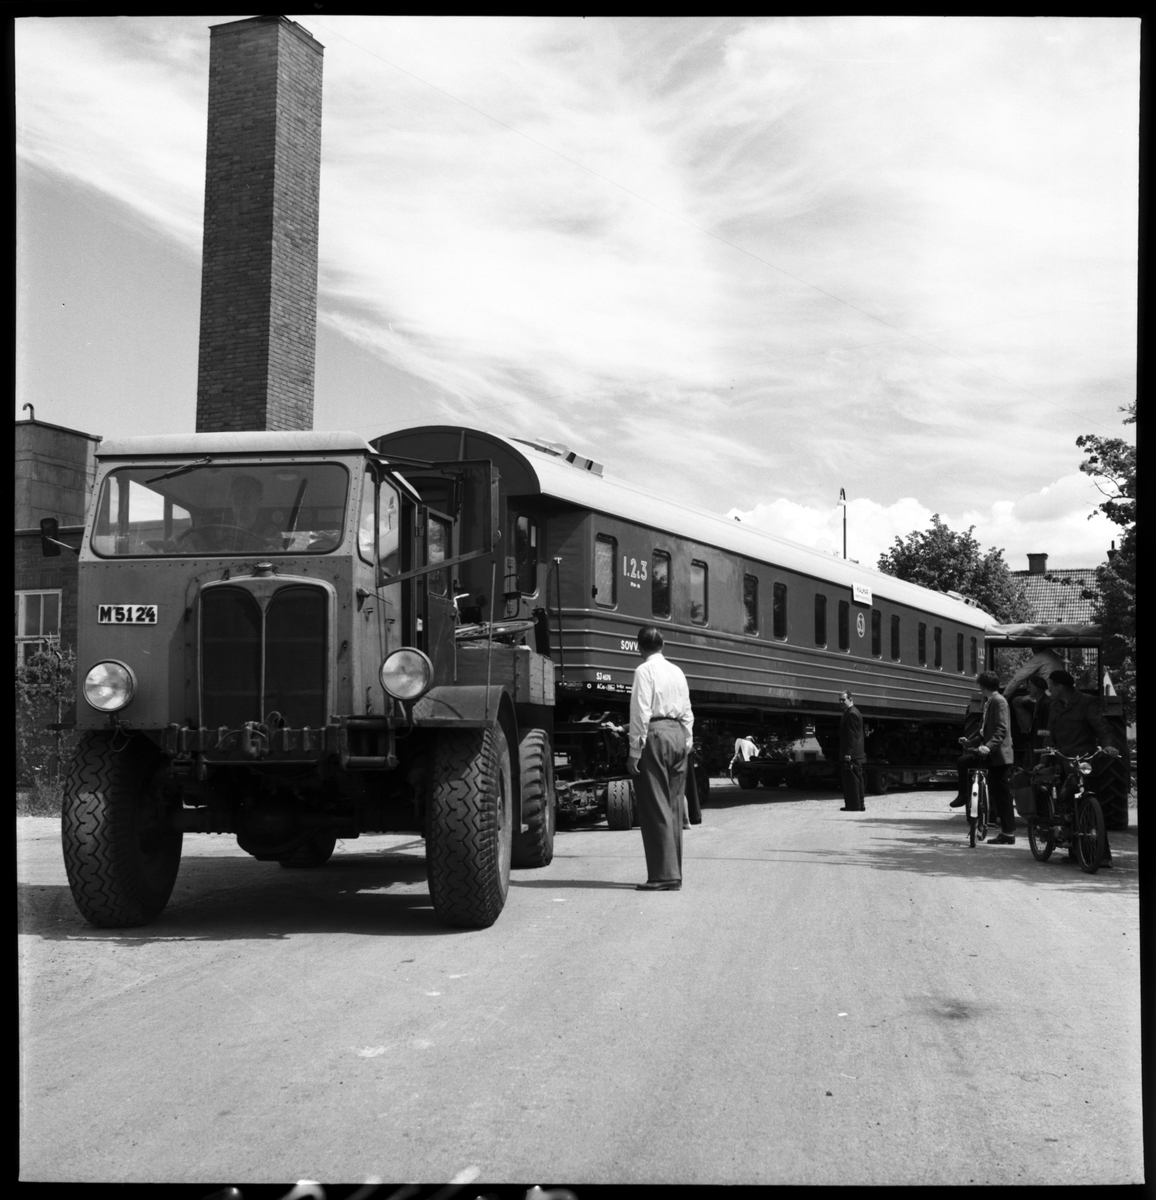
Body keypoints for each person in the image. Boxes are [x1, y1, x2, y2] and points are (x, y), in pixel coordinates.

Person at [626, 626, 694, 891]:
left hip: (655, 735)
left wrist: (634, 751)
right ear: (662, 645)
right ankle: (674, 873)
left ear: (639, 647)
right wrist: (687, 740)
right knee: (674, 806)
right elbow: (687, 710)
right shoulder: (677, 671)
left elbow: (640, 711)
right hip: (678, 734)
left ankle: (663, 875)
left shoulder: (644, 671)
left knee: (655, 804)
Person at [1046, 669, 1120, 867]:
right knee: (1067, 807)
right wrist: (1044, 758)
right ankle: (1075, 852)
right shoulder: (1054, 707)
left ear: (1060, 687)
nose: (1049, 690)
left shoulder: (1087, 702)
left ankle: (1102, 856)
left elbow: (1102, 727)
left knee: (1094, 809)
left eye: (1051, 686)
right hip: (1064, 761)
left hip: (1086, 762)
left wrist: (1108, 746)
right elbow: (1049, 736)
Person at [950, 670, 1016, 844]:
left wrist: (988, 746)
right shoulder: (989, 702)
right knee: (963, 762)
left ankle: (1008, 834)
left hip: (998, 755)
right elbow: (983, 732)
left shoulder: (999, 701)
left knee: (1002, 794)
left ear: (983, 686)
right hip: (988, 753)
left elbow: (1001, 730)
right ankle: (964, 796)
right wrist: (970, 742)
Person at [838, 691, 866, 812]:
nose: (841, 702)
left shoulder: (851, 714)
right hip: (855, 753)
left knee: (852, 780)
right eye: (839, 700)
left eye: (843, 700)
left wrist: (848, 753)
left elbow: (852, 736)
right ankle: (859, 805)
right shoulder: (853, 712)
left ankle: (854, 805)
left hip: (853, 754)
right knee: (855, 779)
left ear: (850, 699)